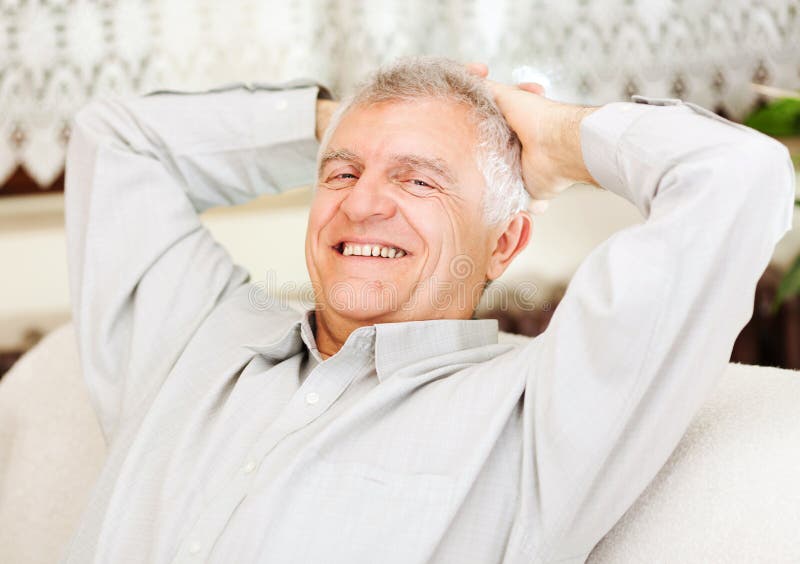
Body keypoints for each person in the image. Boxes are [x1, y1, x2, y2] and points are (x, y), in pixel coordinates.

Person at [62, 57, 794, 563]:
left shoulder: (540, 413)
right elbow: (115, 138)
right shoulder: (191, 338)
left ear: (504, 242)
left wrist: (549, 136)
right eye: (341, 171)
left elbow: (740, 175)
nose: (363, 201)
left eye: (419, 182)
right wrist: (347, 117)